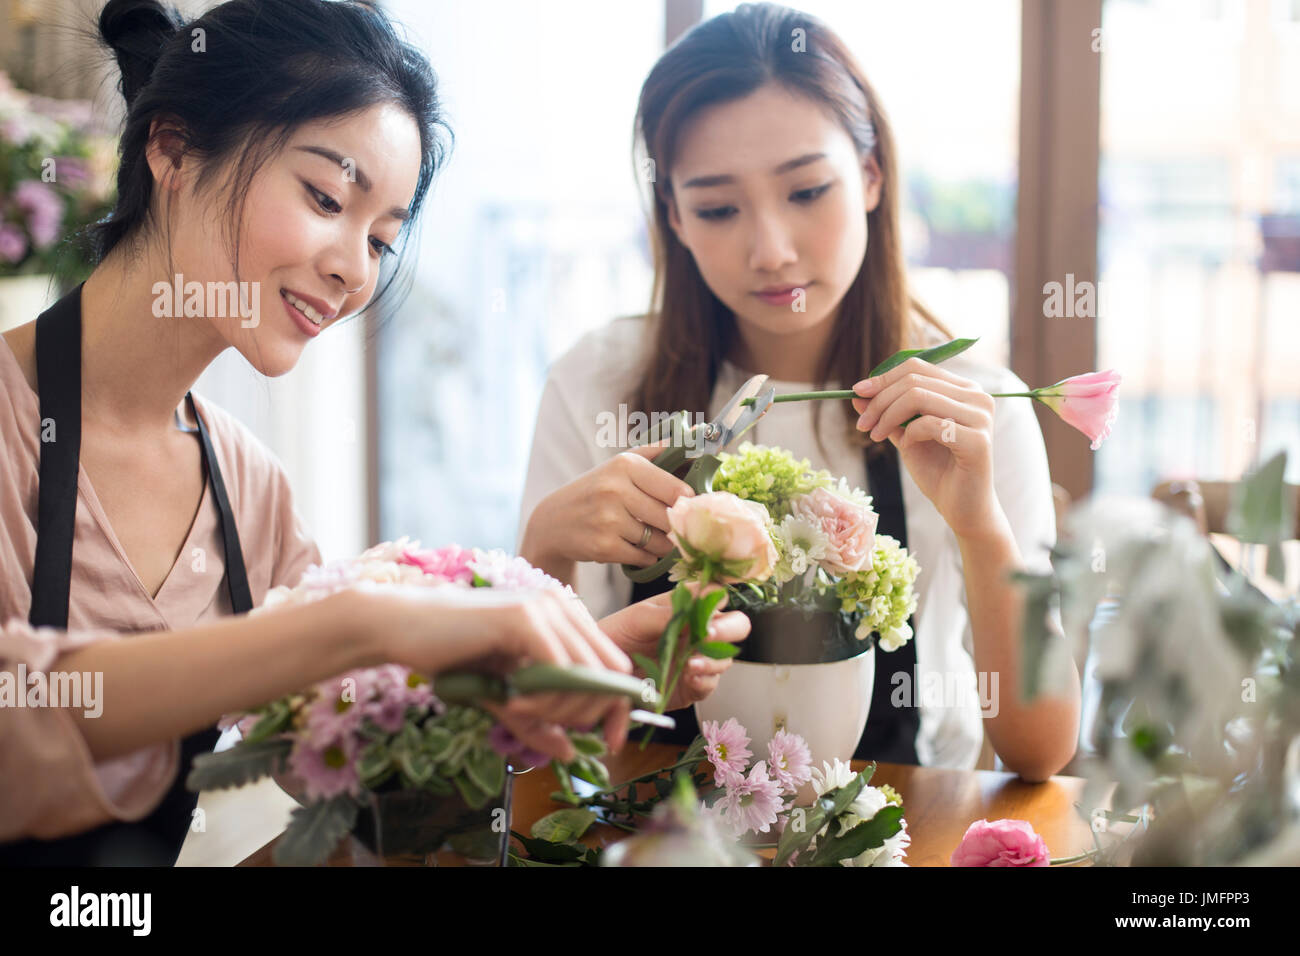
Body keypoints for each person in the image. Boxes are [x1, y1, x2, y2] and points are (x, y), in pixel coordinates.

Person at [0, 0, 747, 864]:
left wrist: (571, 655)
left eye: (383, 241)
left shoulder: (245, 487)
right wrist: (355, 620)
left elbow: (358, 759)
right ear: (170, 148)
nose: (354, 269)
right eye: (326, 197)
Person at [518, 2, 1080, 781]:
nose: (772, 251)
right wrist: (545, 544)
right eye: (717, 208)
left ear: (872, 175)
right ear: (673, 217)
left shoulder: (972, 409)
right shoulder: (599, 382)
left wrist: (979, 525)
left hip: (897, 829)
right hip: (647, 827)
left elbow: (1041, 751)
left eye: (808, 191)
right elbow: (533, 731)